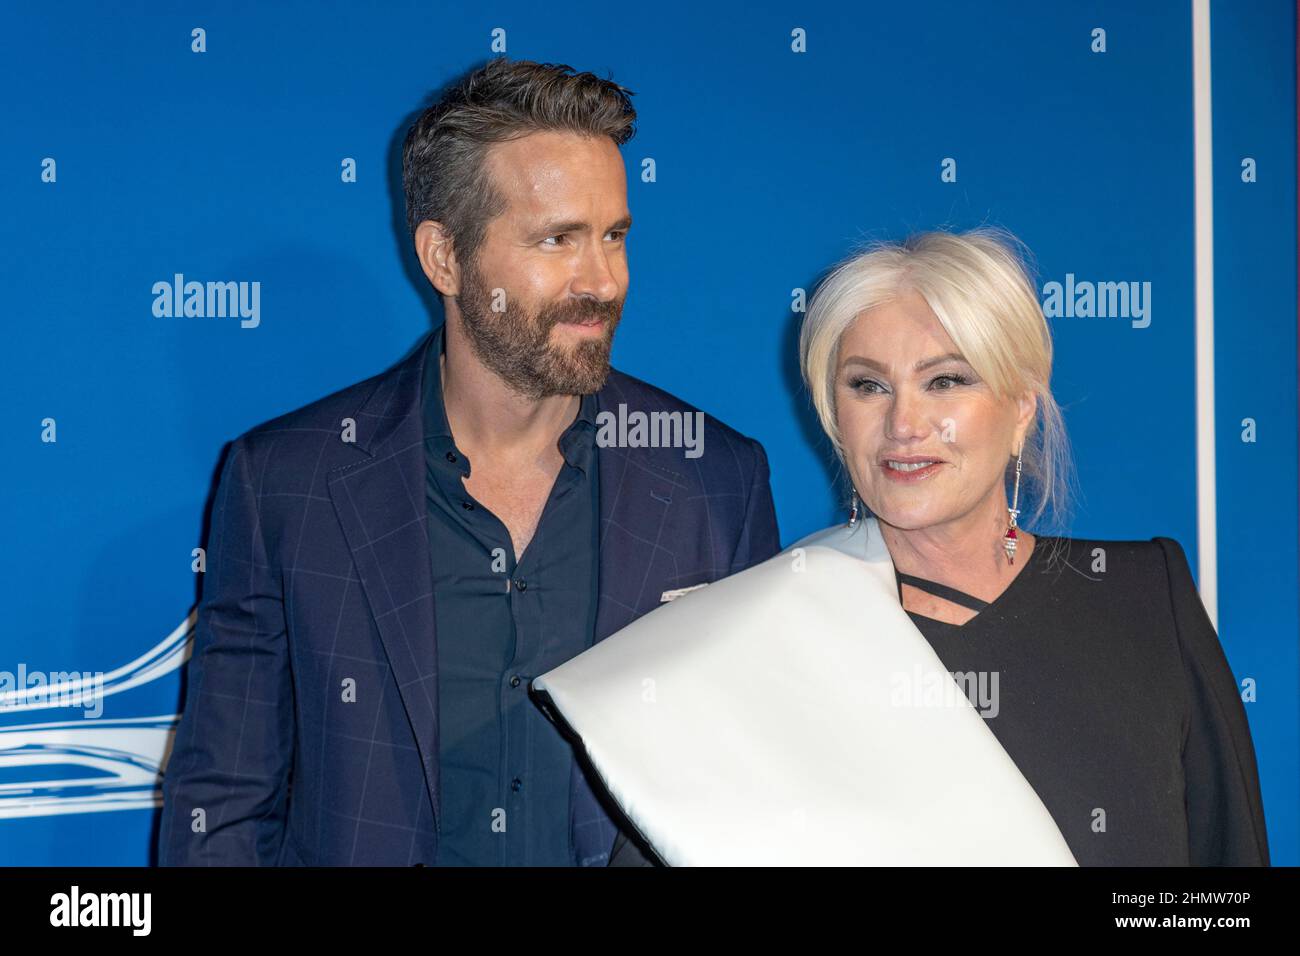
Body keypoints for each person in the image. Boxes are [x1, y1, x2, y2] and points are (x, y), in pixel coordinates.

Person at [157, 58, 780, 867]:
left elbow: (750, 794)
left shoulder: (714, 478)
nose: (603, 281)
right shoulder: (286, 483)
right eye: (558, 239)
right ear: (444, 258)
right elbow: (223, 812)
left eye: (614, 236)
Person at [586, 227, 1269, 866]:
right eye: (868, 386)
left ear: (1021, 408)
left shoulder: (1147, 599)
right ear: (834, 419)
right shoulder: (756, 645)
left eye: (946, 380)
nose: (904, 422)